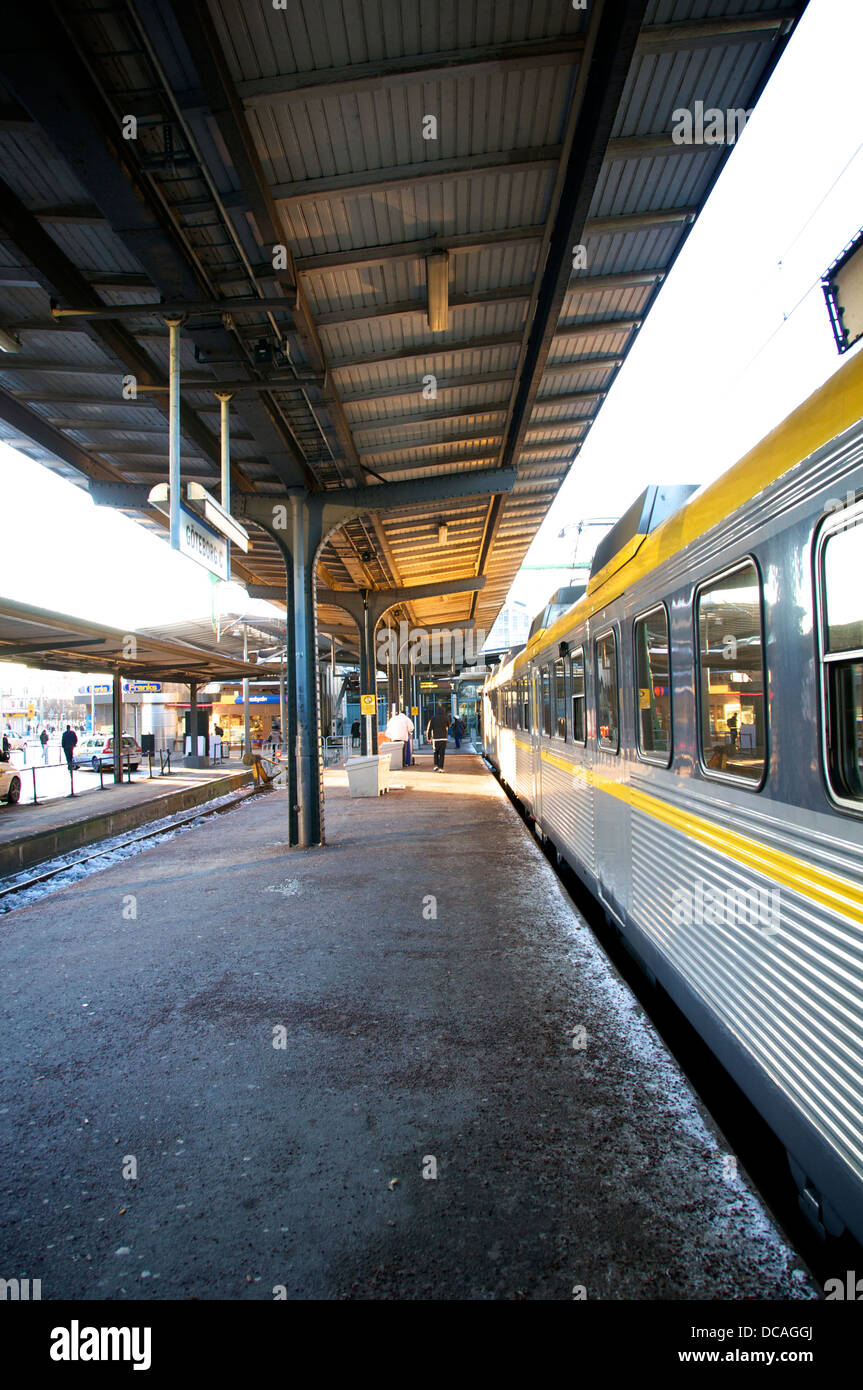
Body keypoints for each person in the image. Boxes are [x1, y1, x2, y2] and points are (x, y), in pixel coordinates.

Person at [426, 705, 451, 772]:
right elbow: (449, 725)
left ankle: (436, 765)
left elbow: (429, 729)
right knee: (442, 754)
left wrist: (428, 737)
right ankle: (441, 768)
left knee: (435, 752)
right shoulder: (445, 718)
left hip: (435, 739)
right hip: (443, 738)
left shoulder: (433, 719)